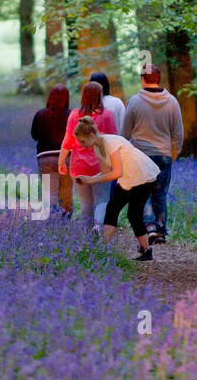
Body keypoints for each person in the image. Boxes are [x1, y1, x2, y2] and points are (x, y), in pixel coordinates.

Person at [72, 116, 160, 261]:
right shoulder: (98, 148)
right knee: (112, 208)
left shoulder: (109, 143)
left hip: (143, 175)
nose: (82, 145)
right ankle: (103, 249)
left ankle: (145, 250)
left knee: (134, 214)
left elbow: (116, 173)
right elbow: (106, 172)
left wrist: (91, 179)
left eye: (83, 141)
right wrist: (88, 179)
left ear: (91, 135)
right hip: (128, 178)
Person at [122, 63, 183, 244]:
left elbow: (125, 131)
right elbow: (178, 133)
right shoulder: (172, 101)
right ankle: (161, 230)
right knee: (160, 193)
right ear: (159, 79)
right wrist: (173, 154)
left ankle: (149, 227)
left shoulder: (134, 101)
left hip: (140, 155)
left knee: (142, 193)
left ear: (143, 80)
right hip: (164, 154)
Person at [59, 80, 118, 227]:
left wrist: (61, 161)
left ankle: (87, 237)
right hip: (101, 165)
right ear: (100, 96)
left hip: (78, 166)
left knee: (85, 203)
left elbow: (67, 141)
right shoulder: (107, 115)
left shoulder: (74, 115)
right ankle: (98, 227)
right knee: (102, 199)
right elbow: (113, 141)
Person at [30, 84, 73, 215]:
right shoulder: (71, 115)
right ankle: (65, 221)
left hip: (45, 158)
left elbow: (34, 135)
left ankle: (51, 221)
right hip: (66, 157)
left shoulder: (40, 114)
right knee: (66, 191)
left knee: (50, 193)